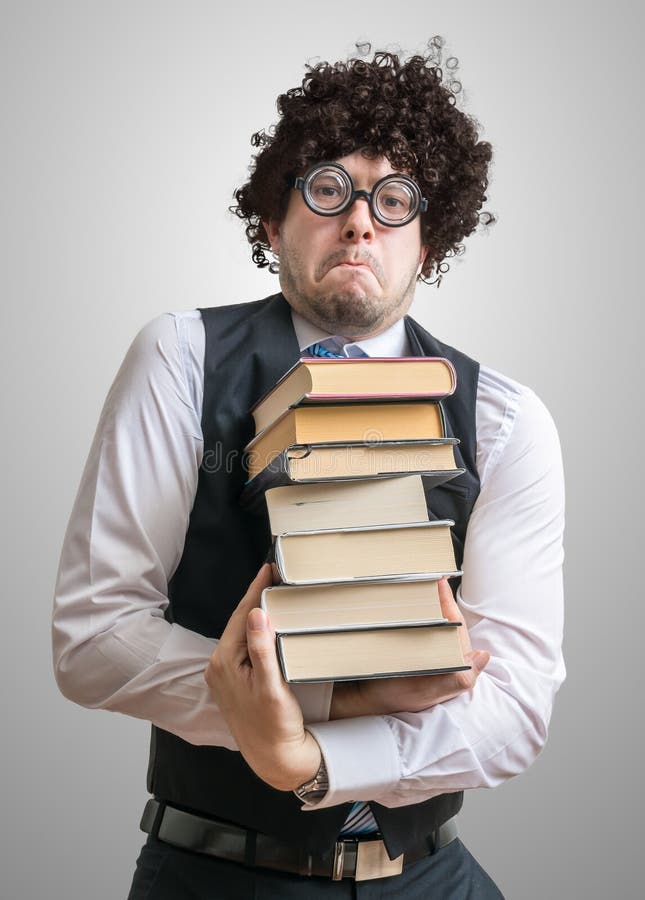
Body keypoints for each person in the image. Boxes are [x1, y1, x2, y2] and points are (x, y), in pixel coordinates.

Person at [52, 46, 565, 898]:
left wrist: (308, 753)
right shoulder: (180, 358)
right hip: (214, 873)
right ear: (271, 220)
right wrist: (339, 705)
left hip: (426, 877)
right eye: (328, 190)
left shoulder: (506, 421)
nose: (360, 222)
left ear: (428, 239)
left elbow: (512, 711)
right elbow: (93, 641)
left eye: (393, 201)